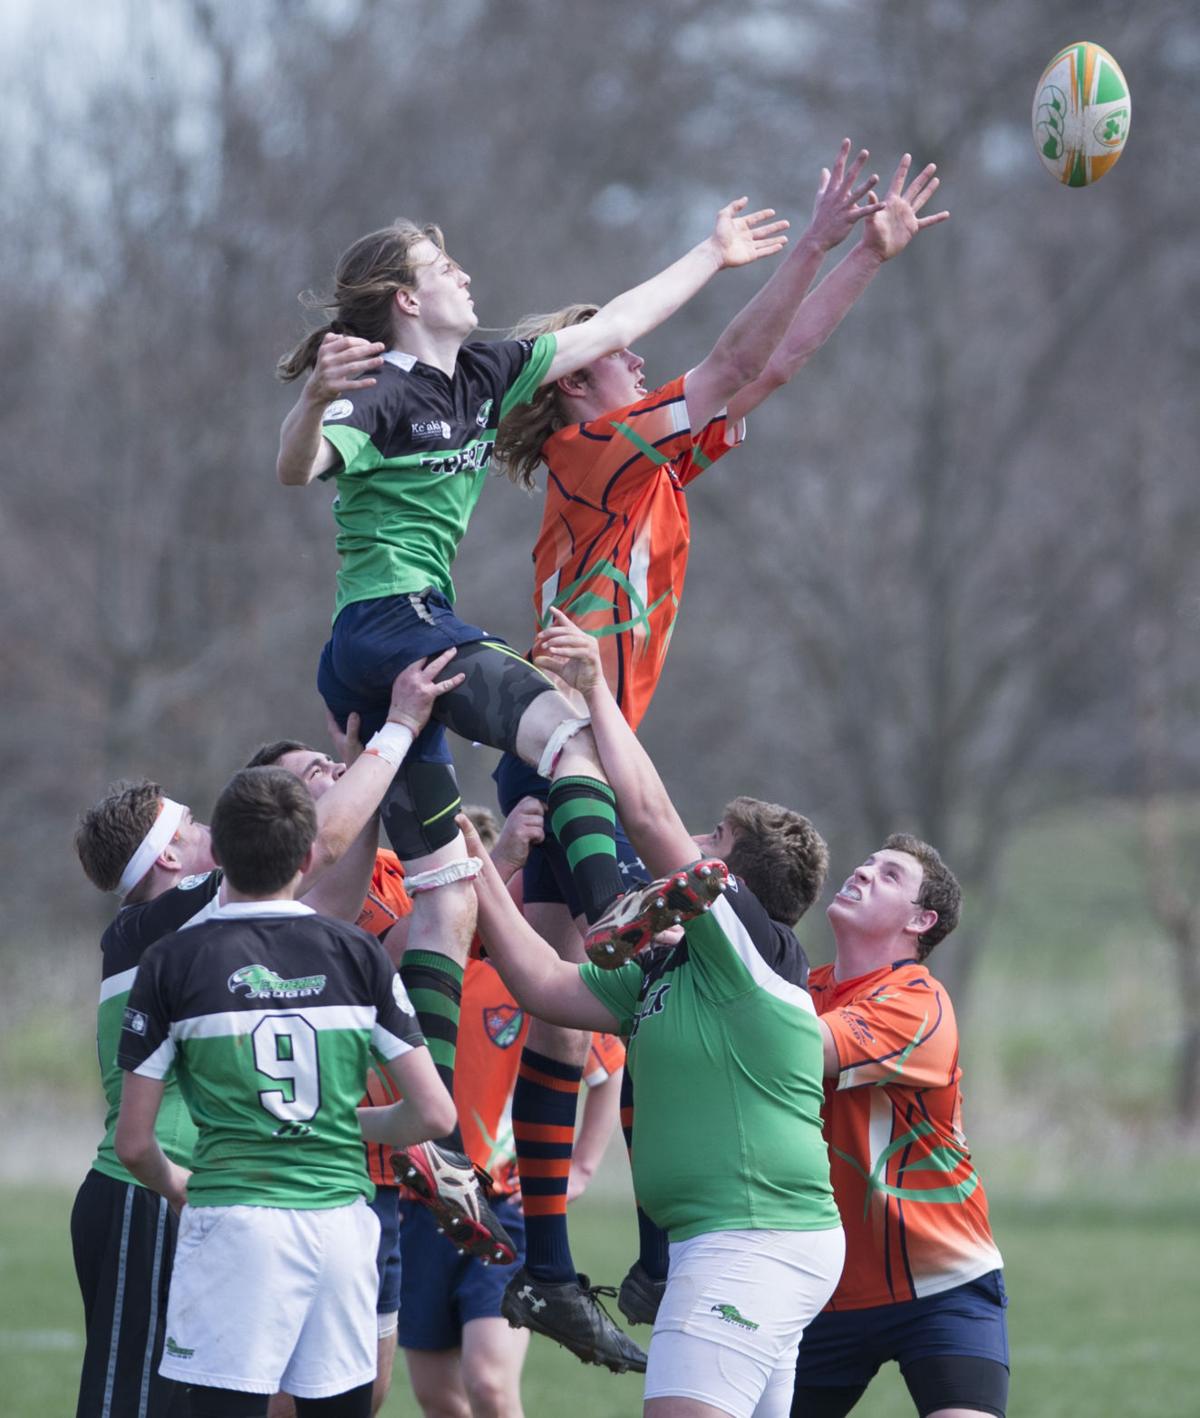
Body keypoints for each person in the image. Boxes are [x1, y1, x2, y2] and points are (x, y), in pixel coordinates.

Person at [488, 142, 948, 1347]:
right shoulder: (597, 453)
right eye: (619, 352)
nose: (640, 355)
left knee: (594, 990)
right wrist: (802, 243)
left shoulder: (633, 459)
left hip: (576, 741)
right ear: (580, 387)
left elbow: (767, 371)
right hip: (564, 746)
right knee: (649, 971)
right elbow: (735, 358)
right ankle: (620, 1257)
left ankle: (571, 1263)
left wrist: (863, 256)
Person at [273, 197, 806, 1223]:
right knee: (567, 727)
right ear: (406, 297)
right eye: (445, 262)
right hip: (391, 628)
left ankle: (423, 1123)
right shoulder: (380, 393)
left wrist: (712, 251)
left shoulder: (485, 371)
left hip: (381, 652)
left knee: (443, 893)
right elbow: (296, 467)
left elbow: (614, 327)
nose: (466, 271)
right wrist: (309, 406)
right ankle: (615, 906)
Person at [467, 612, 844, 1418]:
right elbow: (541, 984)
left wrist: (596, 691)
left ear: (729, 877)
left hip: (748, 1244)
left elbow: (647, 815)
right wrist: (466, 870)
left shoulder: (759, 953)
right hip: (750, 1245)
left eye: (715, 837)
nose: (693, 842)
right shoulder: (665, 973)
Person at [70, 655, 460, 1418]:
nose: (209, 828)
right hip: (144, 1196)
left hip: (203, 1193)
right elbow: (332, 843)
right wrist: (399, 729)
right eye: (192, 824)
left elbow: (329, 884)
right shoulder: (159, 921)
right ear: (172, 859)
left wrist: (356, 773)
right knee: (125, 1405)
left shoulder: (208, 926)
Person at [791, 838, 1008, 1418]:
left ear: (921, 920)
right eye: (866, 863)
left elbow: (791, 1046)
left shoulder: (918, 1001)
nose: (862, 871)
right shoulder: (799, 991)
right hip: (825, 1291)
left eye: (888, 874)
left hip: (943, 1281)